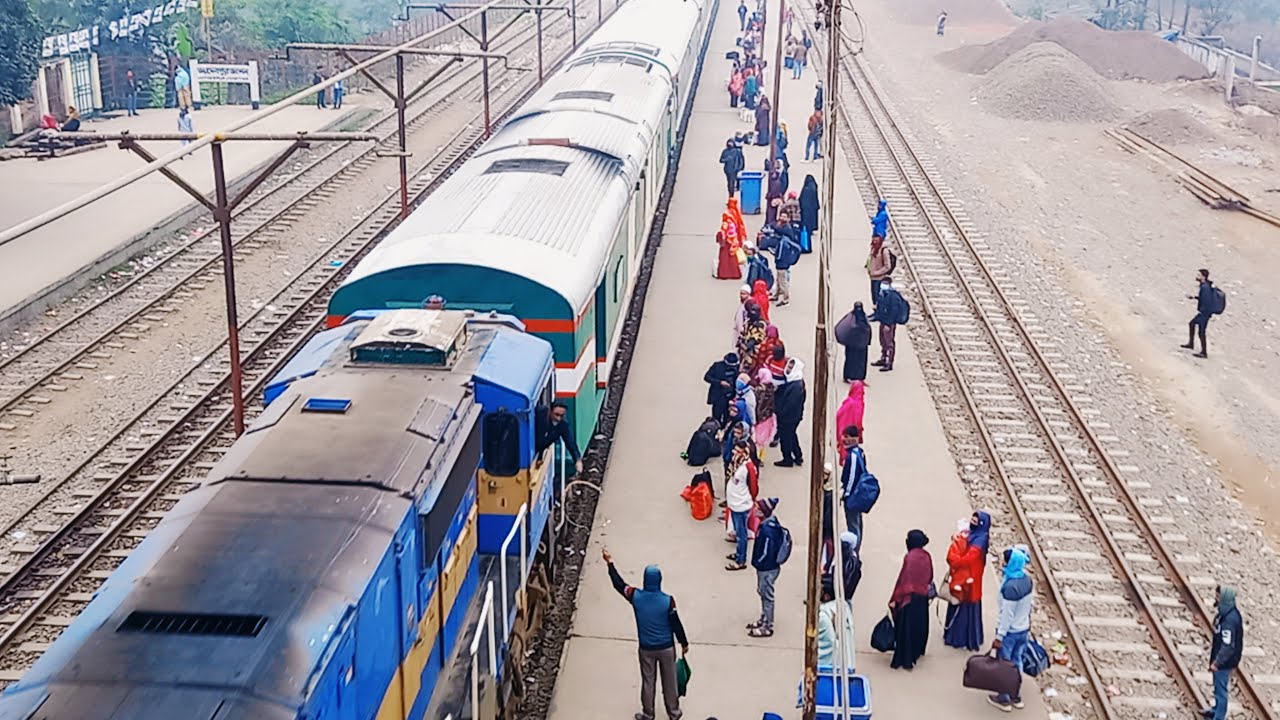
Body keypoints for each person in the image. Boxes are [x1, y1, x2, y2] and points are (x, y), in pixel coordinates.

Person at [603, 550, 689, 720]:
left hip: (646, 649)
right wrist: (684, 643)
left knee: (648, 681)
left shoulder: (635, 596)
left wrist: (610, 563)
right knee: (670, 681)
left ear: (644, 580)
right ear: (660, 581)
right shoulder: (668, 600)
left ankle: (648, 714)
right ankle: (674, 713)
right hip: (666, 648)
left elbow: (619, 584)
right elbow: (676, 624)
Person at [989, 546, 1034, 711]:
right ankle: (1016, 695)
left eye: (1006, 560)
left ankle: (1004, 698)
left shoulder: (1010, 587)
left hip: (1010, 632)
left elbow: (1007, 615)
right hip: (1023, 629)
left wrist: (999, 637)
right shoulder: (1027, 580)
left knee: (1005, 665)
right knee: (1017, 662)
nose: (1004, 562)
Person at [943, 512, 991, 651]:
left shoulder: (980, 540)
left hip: (971, 578)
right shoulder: (976, 535)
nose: (973, 522)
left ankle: (958, 637)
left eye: (976, 521)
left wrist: (955, 561)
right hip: (966, 576)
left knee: (964, 602)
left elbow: (970, 557)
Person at [889, 529, 933, 670]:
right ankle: (916, 651)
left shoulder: (909, 557)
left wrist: (896, 597)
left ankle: (904, 657)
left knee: (906, 630)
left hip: (909, 598)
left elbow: (904, 579)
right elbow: (930, 576)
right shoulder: (927, 556)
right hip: (922, 598)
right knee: (919, 626)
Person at [1202, 585, 1244, 720]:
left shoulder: (1229, 620)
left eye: (1218, 596)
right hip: (1222, 658)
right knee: (1217, 686)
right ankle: (1215, 709)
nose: (1216, 598)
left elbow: (1228, 645)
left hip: (1225, 661)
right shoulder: (1226, 613)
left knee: (1221, 690)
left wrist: (1217, 662)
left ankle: (1219, 716)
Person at [749, 497, 784, 637]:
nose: (755, 509)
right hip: (768, 567)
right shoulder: (771, 525)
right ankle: (764, 617)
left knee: (767, 595)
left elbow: (766, 551)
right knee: (762, 592)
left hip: (767, 568)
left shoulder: (767, 530)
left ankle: (767, 625)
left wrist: (758, 562)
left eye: (758, 508)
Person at [725, 440, 757, 571]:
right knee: (739, 532)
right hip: (734, 502)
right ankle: (739, 553)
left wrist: (749, 499)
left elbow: (754, 487)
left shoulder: (747, 467)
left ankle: (741, 560)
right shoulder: (736, 463)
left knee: (741, 534)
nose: (734, 453)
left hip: (741, 504)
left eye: (738, 451)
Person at [773, 358, 806, 467]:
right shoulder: (794, 381)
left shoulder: (796, 386)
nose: (788, 369)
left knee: (786, 438)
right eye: (788, 366)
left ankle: (787, 459)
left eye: (791, 367)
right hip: (793, 417)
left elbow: (790, 404)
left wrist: (780, 412)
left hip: (788, 418)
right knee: (792, 435)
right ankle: (798, 456)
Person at [535, 401, 583, 475]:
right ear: (550, 411)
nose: (558, 418)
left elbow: (570, 443)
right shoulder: (539, 415)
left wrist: (577, 460)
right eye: (556, 415)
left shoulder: (562, 425)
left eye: (562, 416)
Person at [818, 577, 856, 668]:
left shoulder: (823, 614)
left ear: (826, 596)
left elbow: (830, 642)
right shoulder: (844, 606)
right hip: (847, 661)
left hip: (832, 665)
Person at [871, 277, 906, 372]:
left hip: (889, 324)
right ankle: (883, 358)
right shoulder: (882, 294)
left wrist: (888, 324)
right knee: (882, 341)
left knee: (889, 342)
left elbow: (893, 312)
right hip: (883, 321)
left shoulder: (893, 296)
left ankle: (889, 363)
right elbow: (880, 309)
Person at [837, 425, 866, 539]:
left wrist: (846, 493)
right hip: (858, 493)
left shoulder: (853, 456)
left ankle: (854, 551)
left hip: (853, 495)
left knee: (853, 525)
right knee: (857, 522)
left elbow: (852, 477)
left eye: (846, 436)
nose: (843, 438)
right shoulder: (859, 452)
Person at [1182, 267, 1215, 358]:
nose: (1197, 276)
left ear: (1203, 277)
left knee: (1201, 332)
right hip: (1204, 313)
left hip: (1204, 313)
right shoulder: (1206, 286)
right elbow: (1204, 298)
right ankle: (1191, 344)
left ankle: (1204, 352)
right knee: (1192, 324)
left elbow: (1207, 301)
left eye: (1199, 275)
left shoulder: (1205, 287)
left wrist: (1203, 312)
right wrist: (1194, 297)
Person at [835, 302, 872, 382]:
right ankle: (851, 376)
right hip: (856, 344)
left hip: (856, 344)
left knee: (856, 361)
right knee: (853, 360)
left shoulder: (852, 317)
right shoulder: (859, 318)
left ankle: (857, 377)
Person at [704, 352, 740, 426]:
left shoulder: (737, 368)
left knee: (727, 418)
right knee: (716, 418)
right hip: (718, 398)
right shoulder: (717, 366)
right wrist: (719, 382)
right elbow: (707, 377)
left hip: (730, 398)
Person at [834, 381, 866, 451]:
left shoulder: (849, 403)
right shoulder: (859, 403)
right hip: (852, 435)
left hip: (847, 435)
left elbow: (839, 415)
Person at [738, 302, 768, 373]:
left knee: (750, 370)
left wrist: (746, 346)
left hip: (753, 353)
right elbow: (743, 333)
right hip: (743, 350)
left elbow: (755, 339)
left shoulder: (760, 324)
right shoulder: (748, 321)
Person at [752, 365, 778, 447]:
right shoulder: (773, 387)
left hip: (760, 415)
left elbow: (757, 403)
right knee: (767, 432)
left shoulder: (759, 389)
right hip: (768, 414)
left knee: (758, 435)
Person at [866, 235, 892, 301]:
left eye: (876, 241)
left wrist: (877, 272)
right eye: (873, 240)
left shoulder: (884, 251)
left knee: (878, 298)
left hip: (879, 278)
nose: (874, 242)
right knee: (874, 298)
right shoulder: (873, 248)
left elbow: (888, 266)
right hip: (872, 277)